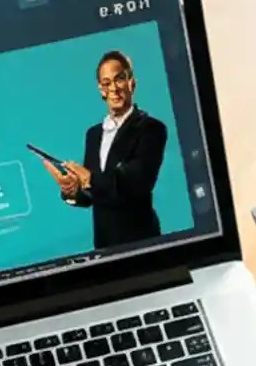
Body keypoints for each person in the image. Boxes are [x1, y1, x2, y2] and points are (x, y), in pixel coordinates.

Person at [43, 50, 167, 248]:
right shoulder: (93, 135)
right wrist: (73, 191)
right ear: (101, 89)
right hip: (104, 245)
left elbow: (138, 182)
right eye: (107, 83)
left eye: (119, 80)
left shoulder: (151, 128)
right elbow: (92, 195)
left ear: (131, 83)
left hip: (142, 241)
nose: (114, 89)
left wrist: (89, 179)